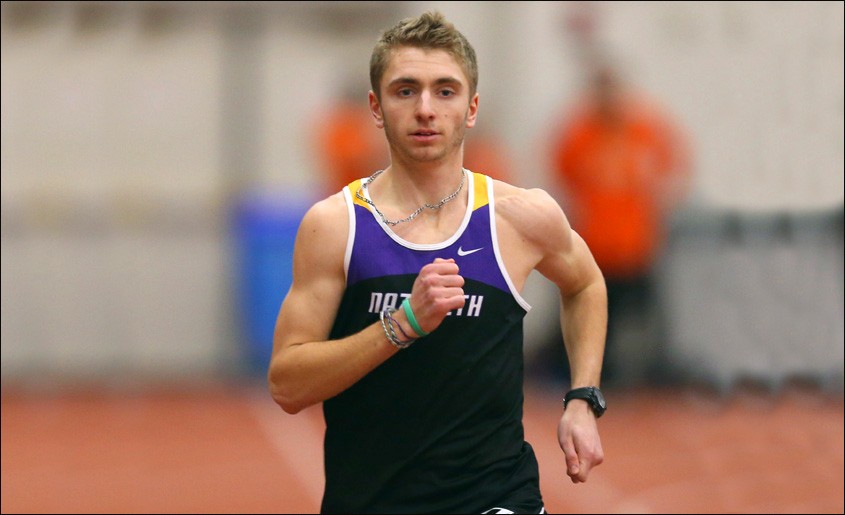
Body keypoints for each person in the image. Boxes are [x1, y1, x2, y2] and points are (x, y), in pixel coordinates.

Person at [268, 11, 608, 514]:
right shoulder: (335, 226)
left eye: (445, 91)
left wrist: (582, 398)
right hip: (370, 499)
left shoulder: (519, 216)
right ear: (376, 107)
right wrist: (401, 325)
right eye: (405, 91)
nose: (425, 109)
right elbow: (287, 384)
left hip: (496, 496)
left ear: (471, 109)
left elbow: (585, 284)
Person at [548, 61, 691, 386]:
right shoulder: (579, 134)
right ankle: (587, 372)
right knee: (592, 314)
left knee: (644, 314)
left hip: (635, 245)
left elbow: (672, 171)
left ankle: (647, 372)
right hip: (595, 246)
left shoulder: (645, 131)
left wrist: (657, 207)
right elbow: (563, 179)